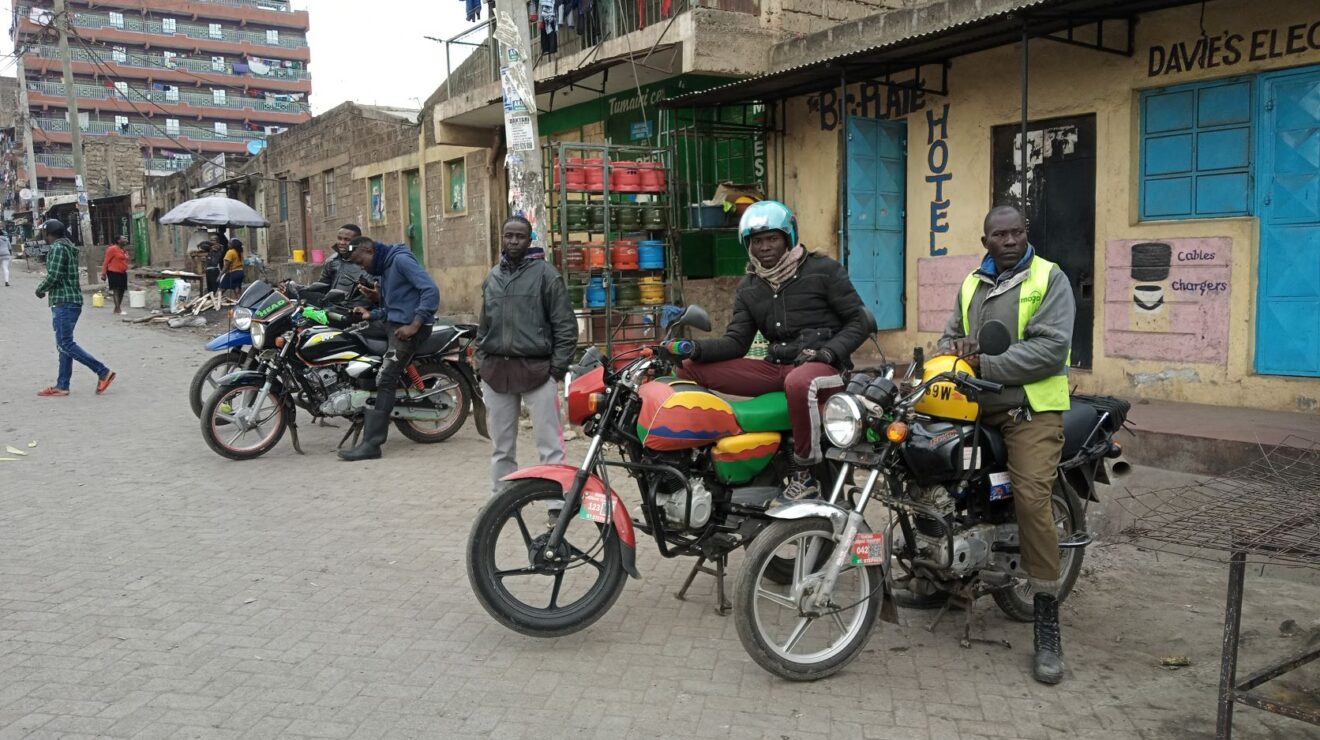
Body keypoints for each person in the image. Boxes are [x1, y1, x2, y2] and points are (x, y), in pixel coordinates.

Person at [938, 205, 1076, 685]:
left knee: (1032, 498)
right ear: (986, 241)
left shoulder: (1049, 278)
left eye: (1017, 232)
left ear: (1025, 232)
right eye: (1000, 234)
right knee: (925, 464)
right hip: (975, 402)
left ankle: (1046, 619)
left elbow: (1050, 350)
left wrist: (984, 363)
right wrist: (954, 351)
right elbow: (951, 337)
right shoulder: (971, 283)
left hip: (1028, 407)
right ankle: (935, 567)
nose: (1010, 240)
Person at [668, 200, 869, 498]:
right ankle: (707, 457)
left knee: (799, 382)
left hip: (823, 366)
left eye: (772, 238)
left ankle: (806, 472)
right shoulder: (750, 287)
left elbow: (860, 321)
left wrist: (829, 352)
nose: (764, 247)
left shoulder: (824, 270)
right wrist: (692, 348)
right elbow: (736, 342)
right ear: (747, 245)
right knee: (688, 369)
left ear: (788, 237)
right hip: (777, 367)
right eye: (757, 241)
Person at [475, 216, 578, 496]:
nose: (513, 241)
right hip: (497, 372)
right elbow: (484, 326)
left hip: (538, 371)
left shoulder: (547, 275)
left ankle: (557, 503)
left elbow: (566, 327)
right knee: (501, 447)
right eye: (509, 235)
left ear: (529, 239)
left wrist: (556, 370)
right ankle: (501, 501)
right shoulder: (493, 277)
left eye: (520, 236)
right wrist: (480, 362)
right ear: (502, 238)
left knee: (550, 445)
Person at [338, 236, 440, 461]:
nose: (361, 267)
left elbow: (431, 291)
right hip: (393, 322)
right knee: (350, 339)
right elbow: (394, 307)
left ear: (369, 250)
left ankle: (372, 445)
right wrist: (371, 312)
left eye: (361, 261)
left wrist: (414, 326)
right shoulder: (383, 267)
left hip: (410, 327)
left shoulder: (400, 260)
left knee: (386, 377)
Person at [33, 219, 115, 397]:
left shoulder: (57, 248)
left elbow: (54, 275)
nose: (42, 235)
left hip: (63, 301)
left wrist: (40, 289)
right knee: (63, 344)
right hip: (72, 301)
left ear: (49, 233)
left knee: (65, 343)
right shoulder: (68, 247)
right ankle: (62, 385)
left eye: (44, 232)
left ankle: (102, 371)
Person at [305, 224, 369, 304]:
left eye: (347, 240)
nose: (342, 242)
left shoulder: (367, 264)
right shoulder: (332, 261)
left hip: (355, 309)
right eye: (339, 238)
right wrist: (305, 290)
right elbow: (323, 286)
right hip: (331, 307)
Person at [101, 235, 131, 314]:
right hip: (113, 272)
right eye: (124, 238)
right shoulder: (112, 249)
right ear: (118, 241)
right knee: (116, 290)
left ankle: (117, 308)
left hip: (123, 272)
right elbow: (106, 261)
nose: (126, 240)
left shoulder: (124, 250)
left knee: (122, 290)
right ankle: (118, 309)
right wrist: (103, 273)